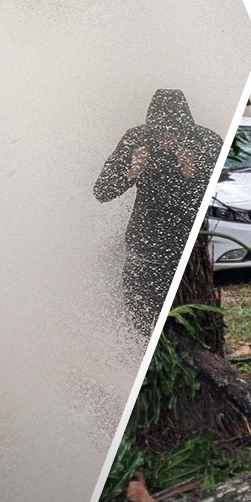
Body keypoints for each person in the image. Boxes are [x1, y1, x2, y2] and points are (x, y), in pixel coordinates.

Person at [92, 90, 225, 335]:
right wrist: (132, 172)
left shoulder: (206, 143)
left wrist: (191, 173)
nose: (165, 138)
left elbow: (218, 199)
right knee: (141, 327)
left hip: (187, 255)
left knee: (184, 328)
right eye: (158, 132)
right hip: (143, 252)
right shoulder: (137, 140)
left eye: (172, 133)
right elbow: (102, 191)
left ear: (184, 130)